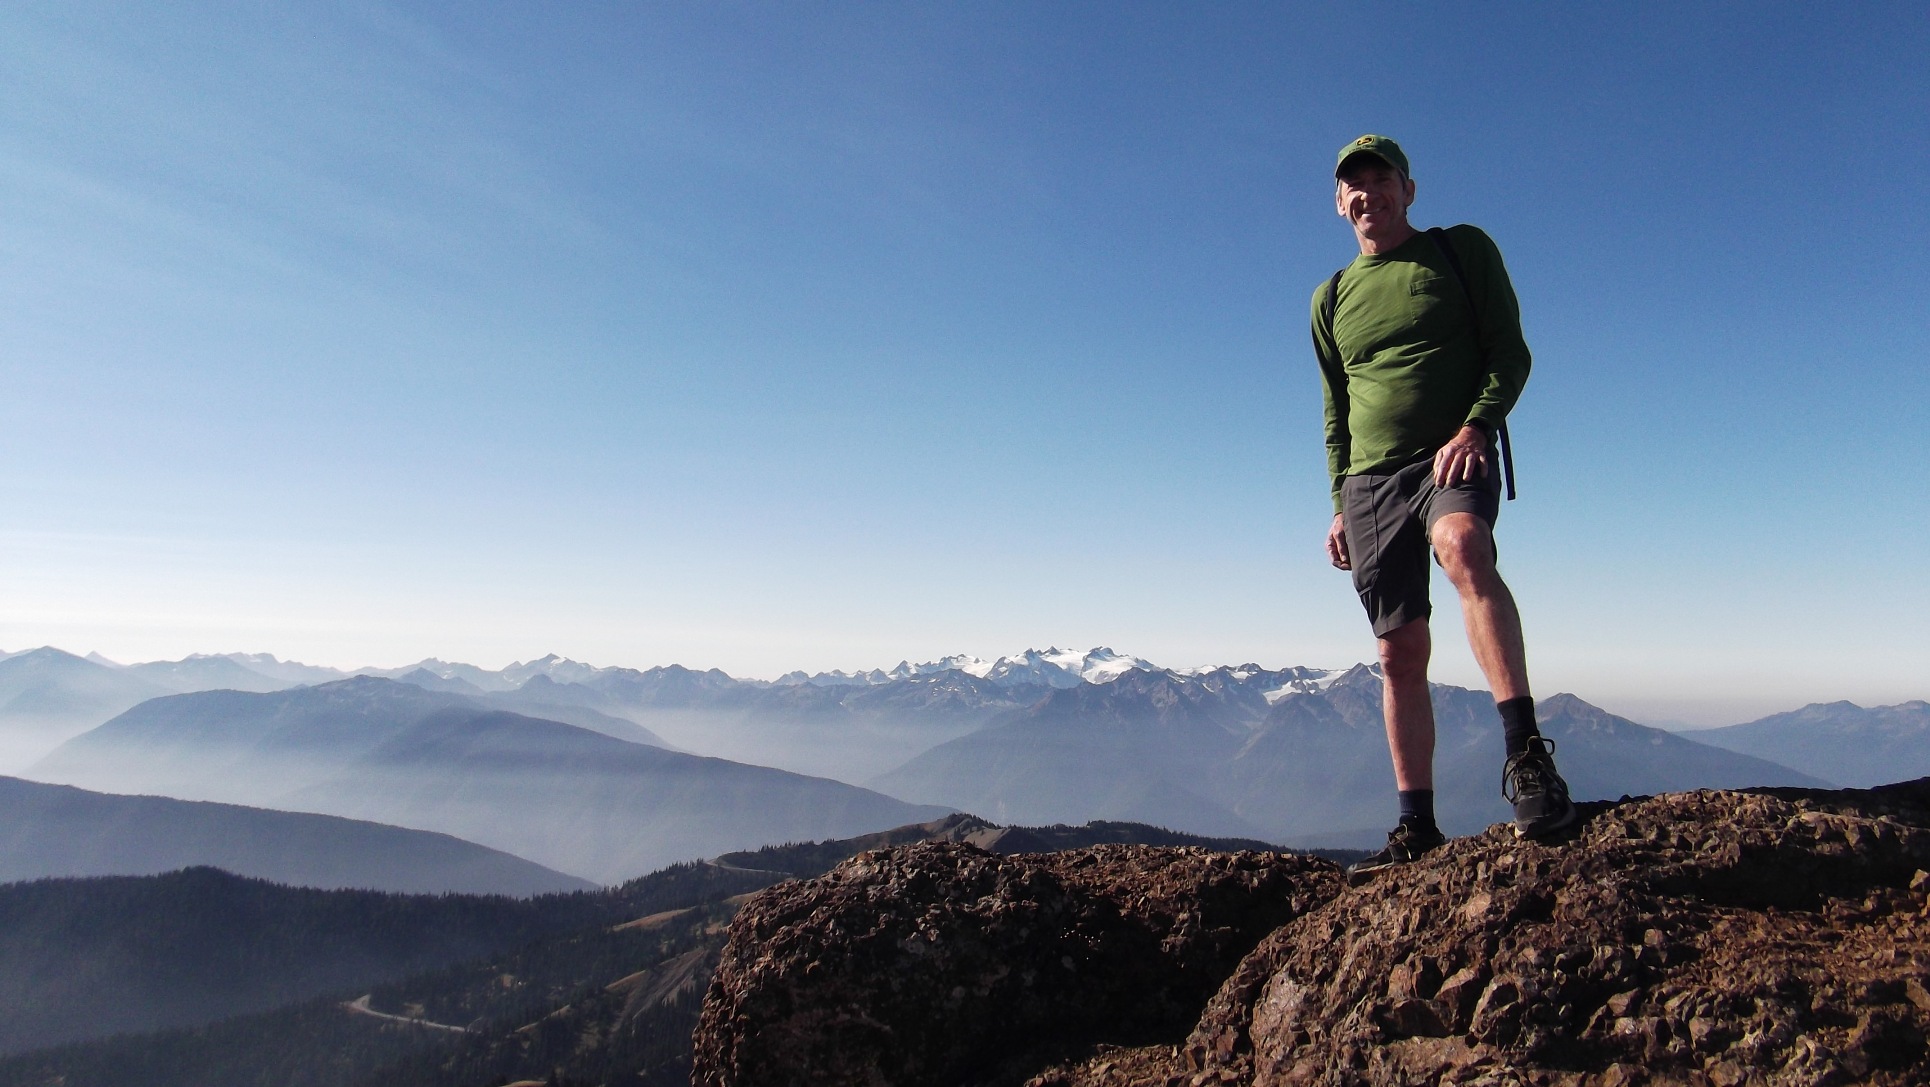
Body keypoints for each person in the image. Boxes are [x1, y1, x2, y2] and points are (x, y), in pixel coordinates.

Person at [1310, 135, 1575, 882]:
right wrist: (1338, 502)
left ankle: (1527, 760)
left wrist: (1476, 425)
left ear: (1409, 188)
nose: (1368, 194)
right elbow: (1336, 412)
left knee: (1463, 545)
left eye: (1381, 179)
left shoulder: (1461, 251)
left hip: (1452, 455)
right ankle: (1416, 823)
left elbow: (1509, 351)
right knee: (1398, 652)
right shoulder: (1329, 299)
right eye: (1353, 186)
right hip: (1369, 483)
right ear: (1340, 203)